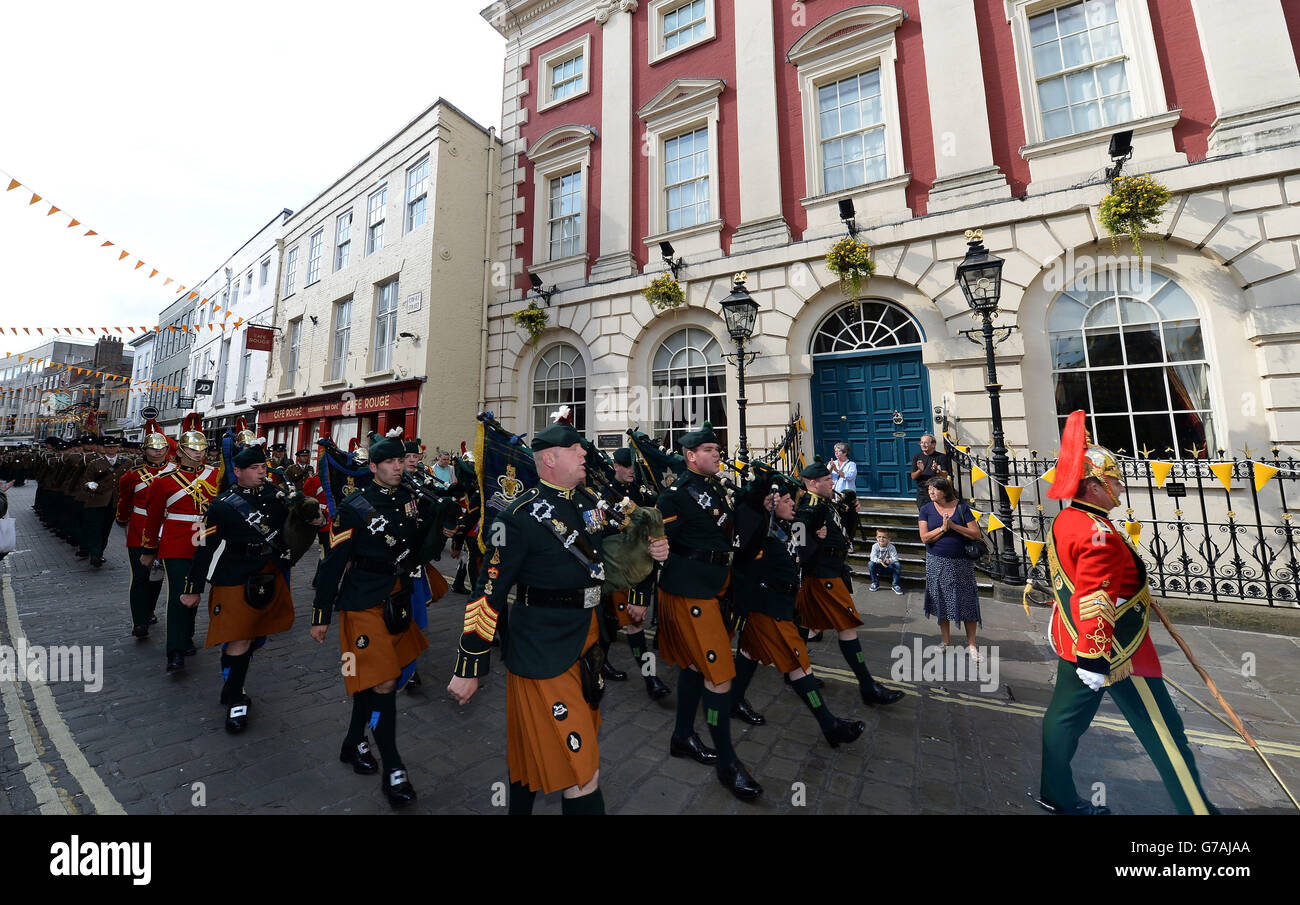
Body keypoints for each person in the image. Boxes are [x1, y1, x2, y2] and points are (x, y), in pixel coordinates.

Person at [448, 420, 668, 815]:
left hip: (587, 641)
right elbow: (487, 593)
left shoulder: (587, 502)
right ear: (550, 458)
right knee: (583, 771)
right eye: (575, 449)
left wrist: (650, 552)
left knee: (534, 754)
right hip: (541, 651)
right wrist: (469, 664)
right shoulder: (515, 517)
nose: (585, 453)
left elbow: (612, 555)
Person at [1038, 410, 1217, 816]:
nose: (1120, 486)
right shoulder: (1097, 531)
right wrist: (1096, 656)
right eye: (1113, 480)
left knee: (1063, 721)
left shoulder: (1070, 519)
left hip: (1073, 638)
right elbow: (1096, 594)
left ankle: (1056, 793)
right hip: (1116, 650)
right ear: (1092, 485)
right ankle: (1198, 810)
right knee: (1165, 734)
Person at [311, 429, 433, 807]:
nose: (399, 467)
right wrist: (321, 613)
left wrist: (444, 523)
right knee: (382, 683)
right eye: (391, 462)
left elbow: (420, 551)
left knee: (373, 680)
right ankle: (394, 768)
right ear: (374, 467)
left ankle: (352, 742)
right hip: (362, 602)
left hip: (395, 599)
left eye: (402, 461)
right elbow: (333, 562)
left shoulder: (412, 499)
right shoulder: (355, 506)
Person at [182, 441, 324, 731]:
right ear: (238, 471)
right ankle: (235, 698)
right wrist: (192, 587)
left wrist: (314, 516)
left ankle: (231, 683)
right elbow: (203, 547)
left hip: (268, 572)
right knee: (240, 637)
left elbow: (299, 527)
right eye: (255, 468)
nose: (262, 472)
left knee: (251, 637)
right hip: (233, 574)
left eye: (263, 467)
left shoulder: (278, 496)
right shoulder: (221, 505)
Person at [656, 421, 762, 801]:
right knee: (719, 677)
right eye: (710, 450)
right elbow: (651, 542)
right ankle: (728, 763)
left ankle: (682, 736)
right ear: (690, 456)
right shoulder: (675, 495)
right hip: (688, 592)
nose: (718, 454)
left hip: (716, 588)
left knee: (694, 667)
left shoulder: (717, 486)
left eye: (717, 449)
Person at [730, 470, 865, 748]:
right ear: (772, 501)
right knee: (800, 667)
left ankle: (732, 701)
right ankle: (829, 724)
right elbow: (746, 529)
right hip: (767, 608)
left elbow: (804, 558)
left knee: (748, 653)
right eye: (788, 499)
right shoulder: (760, 529)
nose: (794, 504)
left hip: (779, 605)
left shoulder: (785, 526)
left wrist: (816, 537)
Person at [794, 459, 904, 709]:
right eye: (825, 480)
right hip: (823, 575)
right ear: (813, 484)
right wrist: (814, 539)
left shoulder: (826, 503)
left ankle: (794, 674)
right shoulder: (808, 508)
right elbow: (798, 541)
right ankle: (868, 686)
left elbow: (846, 534)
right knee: (846, 626)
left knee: (802, 623)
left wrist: (852, 511)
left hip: (831, 570)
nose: (831, 482)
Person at [140, 414, 223, 672]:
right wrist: (149, 548)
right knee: (179, 594)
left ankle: (186, 637)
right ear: (181, 451)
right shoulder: (163, 481)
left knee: (195, 593)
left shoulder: (216, 476)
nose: (198, 454)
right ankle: (174, 650)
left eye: (202, 450)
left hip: (207, 541)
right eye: (192, 449)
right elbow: (153, 519)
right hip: (176, 542)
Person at [598, 446, 671, 700]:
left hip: (636, 571)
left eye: (632, 466)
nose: (631, 471)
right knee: (609, 622)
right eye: (625, 466)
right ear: (615, 466)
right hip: (612, 570)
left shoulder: (644, 492)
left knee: (633, 623)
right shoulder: (603, 494)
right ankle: (602, 666)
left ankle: (650, 679)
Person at [116, 420, 176, 637]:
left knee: (157, 574)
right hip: (140, 529)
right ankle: (139, 621)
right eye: (153, 448)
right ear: (144, 450)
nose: (158, 452)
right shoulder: (132, 475)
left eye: (162, 448)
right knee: (140, 575)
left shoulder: (176, 470)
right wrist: (122, 520)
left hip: (168, 528)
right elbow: (124, 501)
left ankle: (149, 610)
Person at [918, 478, 983, 658]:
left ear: (945, 491)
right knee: (941, 601)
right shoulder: (926, 510)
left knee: (968, 601)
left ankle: (972, 644)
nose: (931, 492)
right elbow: (924, 537)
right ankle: (945, 640)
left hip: (961, 562)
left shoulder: (961, 507)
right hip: (936, 562)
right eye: (929, 489)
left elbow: (976, 533)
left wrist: (953, 526)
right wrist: (943, 529)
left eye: (934, 489)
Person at [910, 434, 951, 511]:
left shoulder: (941, 457)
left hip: (937, 491)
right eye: (921, 443)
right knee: (924, 514)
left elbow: (945, 475)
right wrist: (920, 471)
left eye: (925, 443)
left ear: (933, 444)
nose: (923, 445)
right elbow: (913, 476)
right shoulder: (917, 457)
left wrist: (937, 470)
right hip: (922, 492)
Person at [868, 529, 903, 595]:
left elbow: (895, 558)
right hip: (879, 567)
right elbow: (872, 557)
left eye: (884, 537)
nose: (881, 539)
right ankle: (875, 583)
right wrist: (879, 560)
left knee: (897, 564)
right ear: (876, 538)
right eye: (879, 537)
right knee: (870, 563)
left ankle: (895, 585)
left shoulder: (891, 547)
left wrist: (890, 560)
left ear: (889, 539)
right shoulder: (875, 546)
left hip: (889, 567)